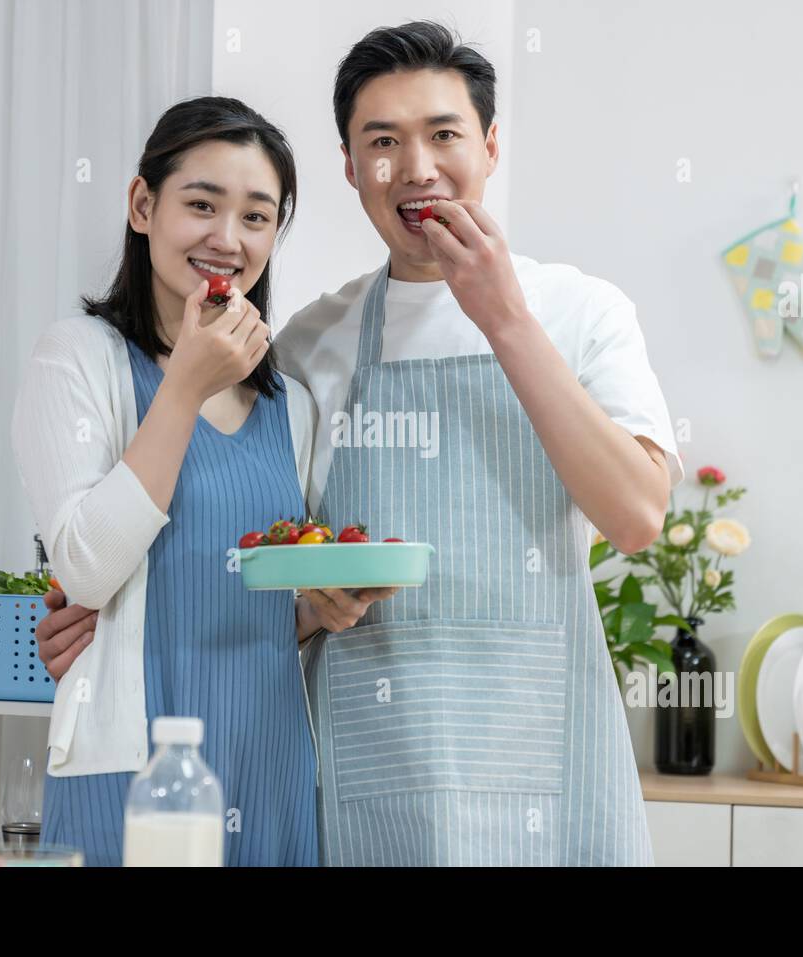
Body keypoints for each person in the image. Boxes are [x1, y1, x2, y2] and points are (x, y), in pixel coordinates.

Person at [271, 21, 685, 866]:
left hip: (553, 775)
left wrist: (501, 317)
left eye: (444, 134)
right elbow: (263, 569)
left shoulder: (581, 311)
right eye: (383, 141)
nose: (417, 167)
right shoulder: (308, 344)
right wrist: (312, 606)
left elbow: (639, 514)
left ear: (490, 147)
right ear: (351, 168)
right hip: (371, 775)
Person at [10, 96, 393, 867]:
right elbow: (84, 565)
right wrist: (183, 386)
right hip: (130, 766)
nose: (227, 239)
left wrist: (319, 610)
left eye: (257, 217)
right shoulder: (77, 359)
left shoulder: (295, 408)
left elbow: (250, 602)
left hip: (271, 761)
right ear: (142, 204)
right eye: (201, 205)